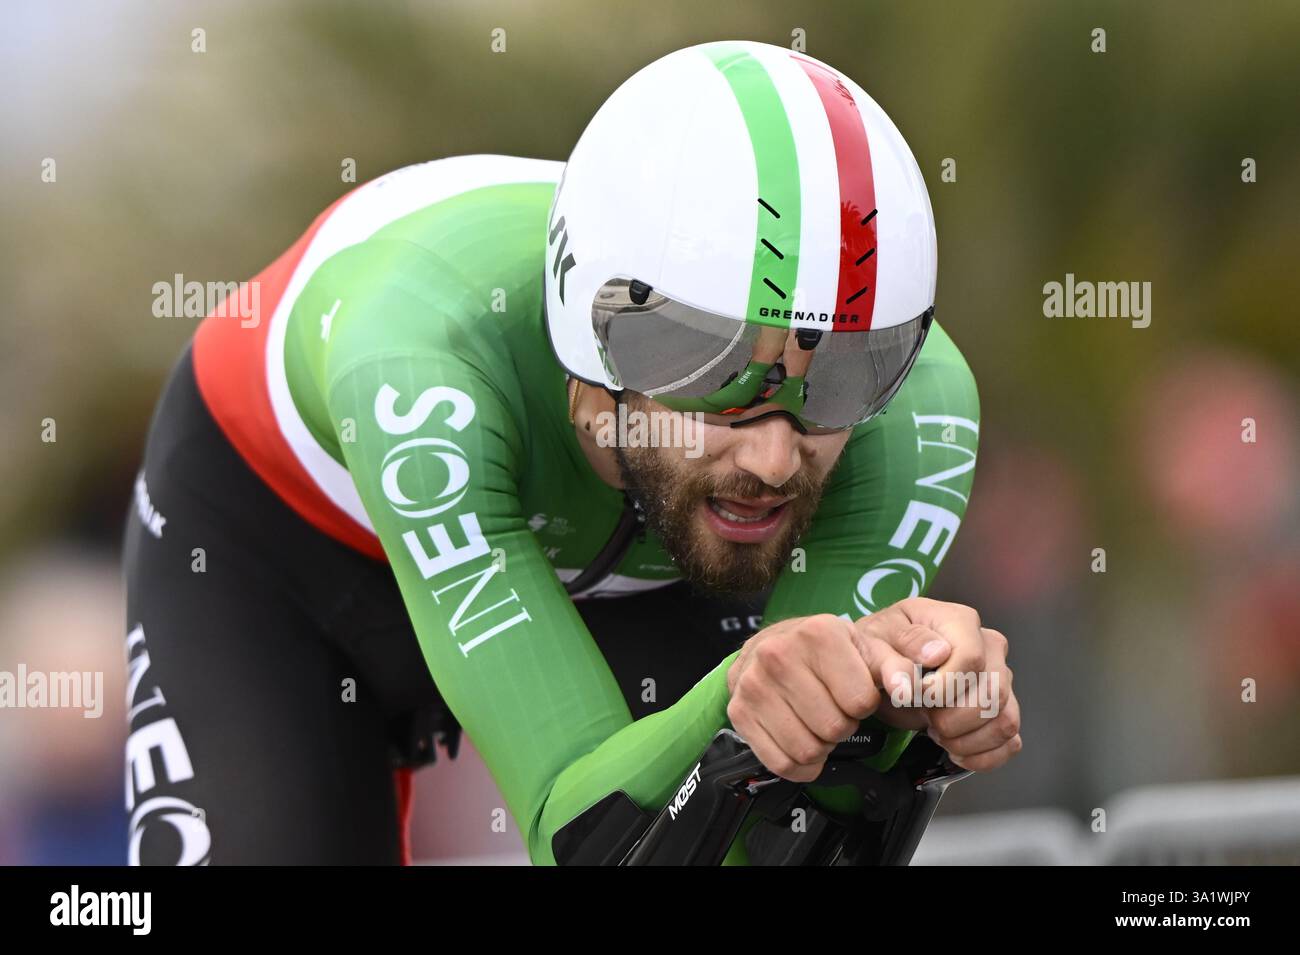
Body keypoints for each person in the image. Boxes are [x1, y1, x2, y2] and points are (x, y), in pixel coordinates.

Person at [122, 40, 1020, 866]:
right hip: (283, 552)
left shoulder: (920, 406)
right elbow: (575, 830)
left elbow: (795, 808)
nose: (777, 461)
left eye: (834, 392)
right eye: (718, 387)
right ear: (595, 355)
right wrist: (735, 694)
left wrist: (903, 704)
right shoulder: (420, 367)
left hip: (639, 556)